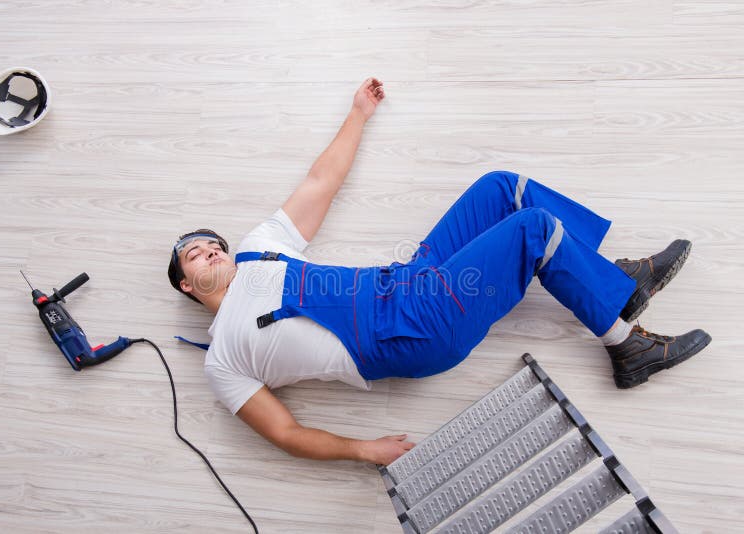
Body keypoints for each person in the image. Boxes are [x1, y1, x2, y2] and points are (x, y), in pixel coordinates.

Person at [167, 77, 711, 466]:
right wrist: (363, 450)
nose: (212, 249)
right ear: (189, 286)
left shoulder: (257, 248)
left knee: (502, 188)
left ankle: (609, 281)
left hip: (406, 281)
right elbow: (284, 432)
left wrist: (357, 112)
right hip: (410, 330)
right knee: (533, 229)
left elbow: (319, 183)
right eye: (196, 254)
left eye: (213, 242)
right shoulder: (223, 362)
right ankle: (626, 343)